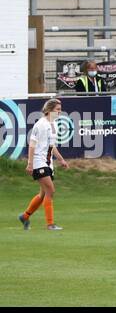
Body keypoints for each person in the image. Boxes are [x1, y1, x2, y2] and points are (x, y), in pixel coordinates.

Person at [18, 98, 68, 231]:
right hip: (38, 162)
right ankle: (50, 224)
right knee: (50, 190)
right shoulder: (41, 125)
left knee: (42, 194)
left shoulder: (53, 125)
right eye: (57, 109)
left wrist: (61, 159)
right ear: (49, 110)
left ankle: (25, 216)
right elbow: (32, 145)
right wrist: (30, 163)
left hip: (48, 164)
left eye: (60, 109)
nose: (60, 111)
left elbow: (52, 146)